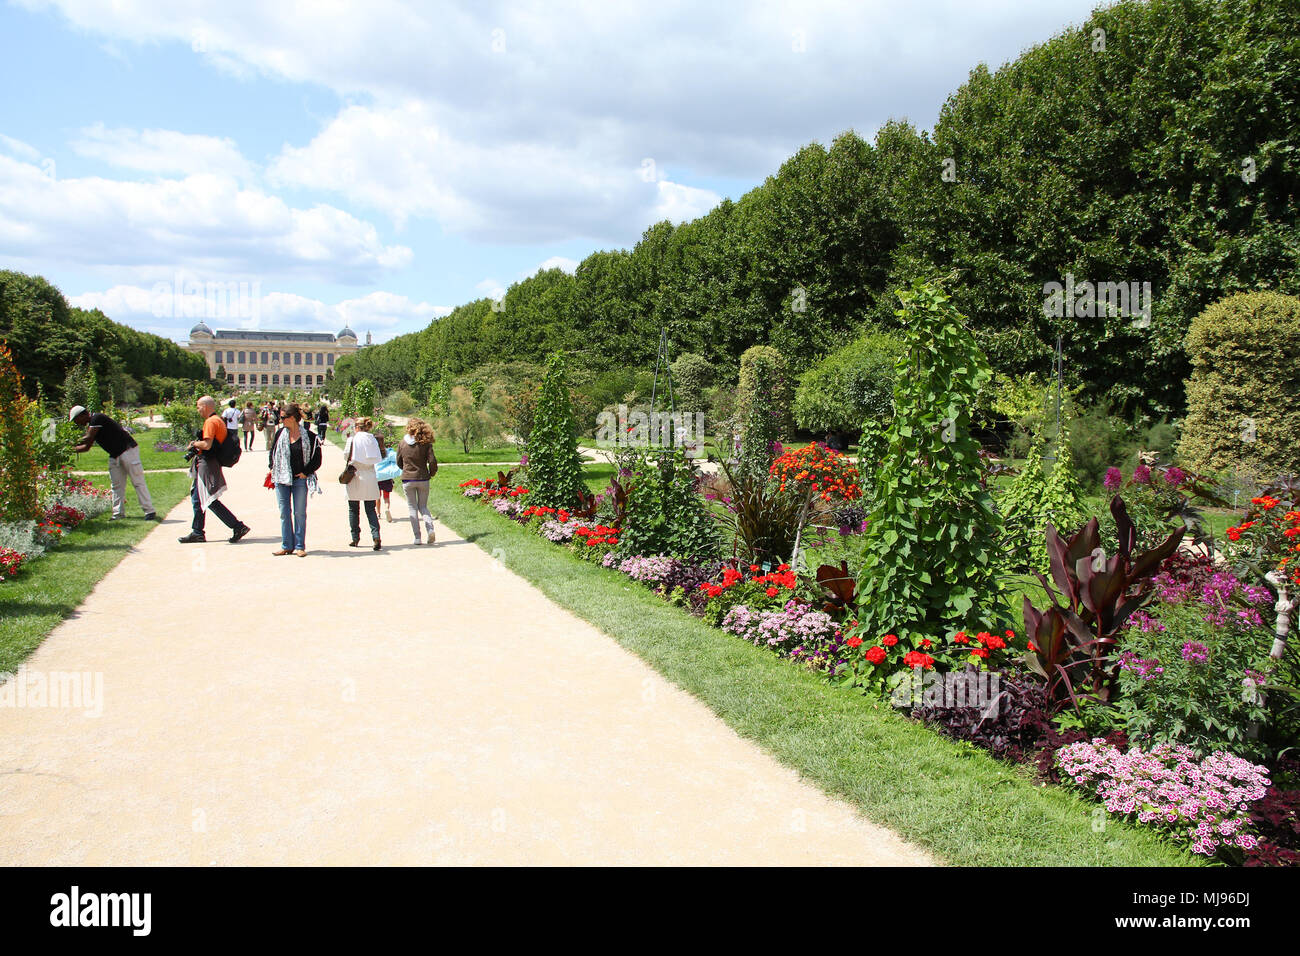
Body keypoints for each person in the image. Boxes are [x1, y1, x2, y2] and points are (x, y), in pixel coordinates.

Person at [178, 395, 250, 544]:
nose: (198, 410)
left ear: (205, 406)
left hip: (207, 464)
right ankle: (197, 532)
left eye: (198, 407)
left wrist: (194, 444)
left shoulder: (211, 422)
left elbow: (207, 445)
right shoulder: (218, 420)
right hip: (210, 462)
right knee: (199, 498)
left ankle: (237, 526)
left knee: (208, 499)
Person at [69, 405, 157, 521]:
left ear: (83, 415)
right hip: (115, 454)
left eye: (76, 419)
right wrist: (67, 450)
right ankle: (118, 514)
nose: (76, 423)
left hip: (128, 450)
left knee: (137, 481)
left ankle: (149, 511)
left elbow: (88, 437)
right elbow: (86, 447)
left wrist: (68, 441)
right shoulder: (92, 425)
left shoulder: (97, 418)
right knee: (116, 486)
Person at [268, 403, 321, 556]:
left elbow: (317, 458)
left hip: (299, 480)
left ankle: (299, 546)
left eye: (283, 417)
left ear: (292, 418)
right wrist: (272, 466)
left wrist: (306, 472)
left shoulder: (310, 437)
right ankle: (286, 545)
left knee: (299, 513)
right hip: (281, 479)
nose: (280, 420)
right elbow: (272, 452)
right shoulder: (280, 434)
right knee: (284, 512)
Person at [395, 417, 438, 545]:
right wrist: (432, 472)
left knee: (412, 507)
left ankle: (417, 537)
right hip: (423, 478)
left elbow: (398, 461)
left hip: (408, 479)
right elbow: (432, 461)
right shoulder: (426, 444)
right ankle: (430, 530)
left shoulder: (402, 443)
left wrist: (406, 469)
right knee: (423, 506)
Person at [343, 417, 383, 550]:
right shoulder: (373, 439)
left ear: (357, 427)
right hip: (370, 475)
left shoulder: (352, 439)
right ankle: (376, 535)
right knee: (370, 509)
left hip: (355, 474)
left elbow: (346, 456)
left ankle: (355, 537)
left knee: (353, 509)